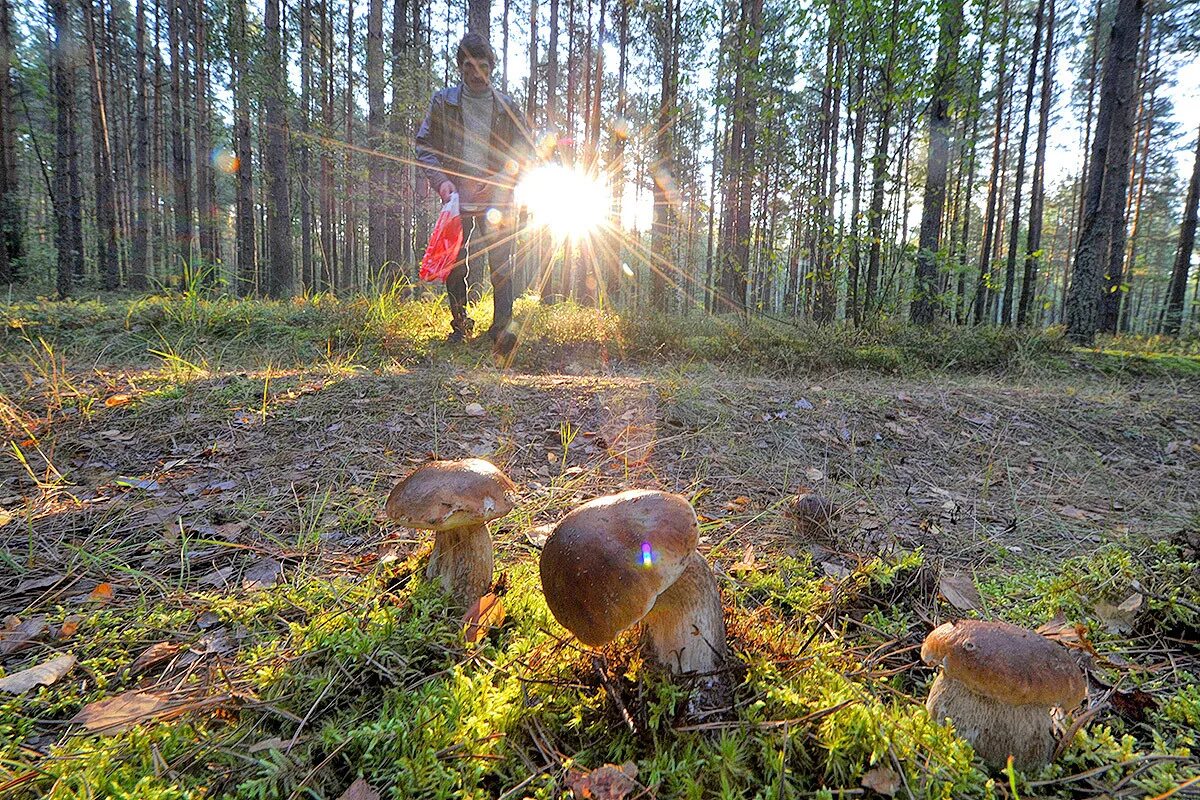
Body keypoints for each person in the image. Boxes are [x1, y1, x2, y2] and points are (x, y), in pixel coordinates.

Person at [415, 33, 531, 355]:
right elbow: (424, 147)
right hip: (456, 202)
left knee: (501, 264)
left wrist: (501, 179)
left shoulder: (506, 106)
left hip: (497, 201)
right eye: (468, 65)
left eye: (482, 65)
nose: (475, 72)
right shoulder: (444, 101)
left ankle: (502, 330)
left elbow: (527, 152)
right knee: (454, 264)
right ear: (459, 67)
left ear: (491, 68)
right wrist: (442, 183)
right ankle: (460, 324)